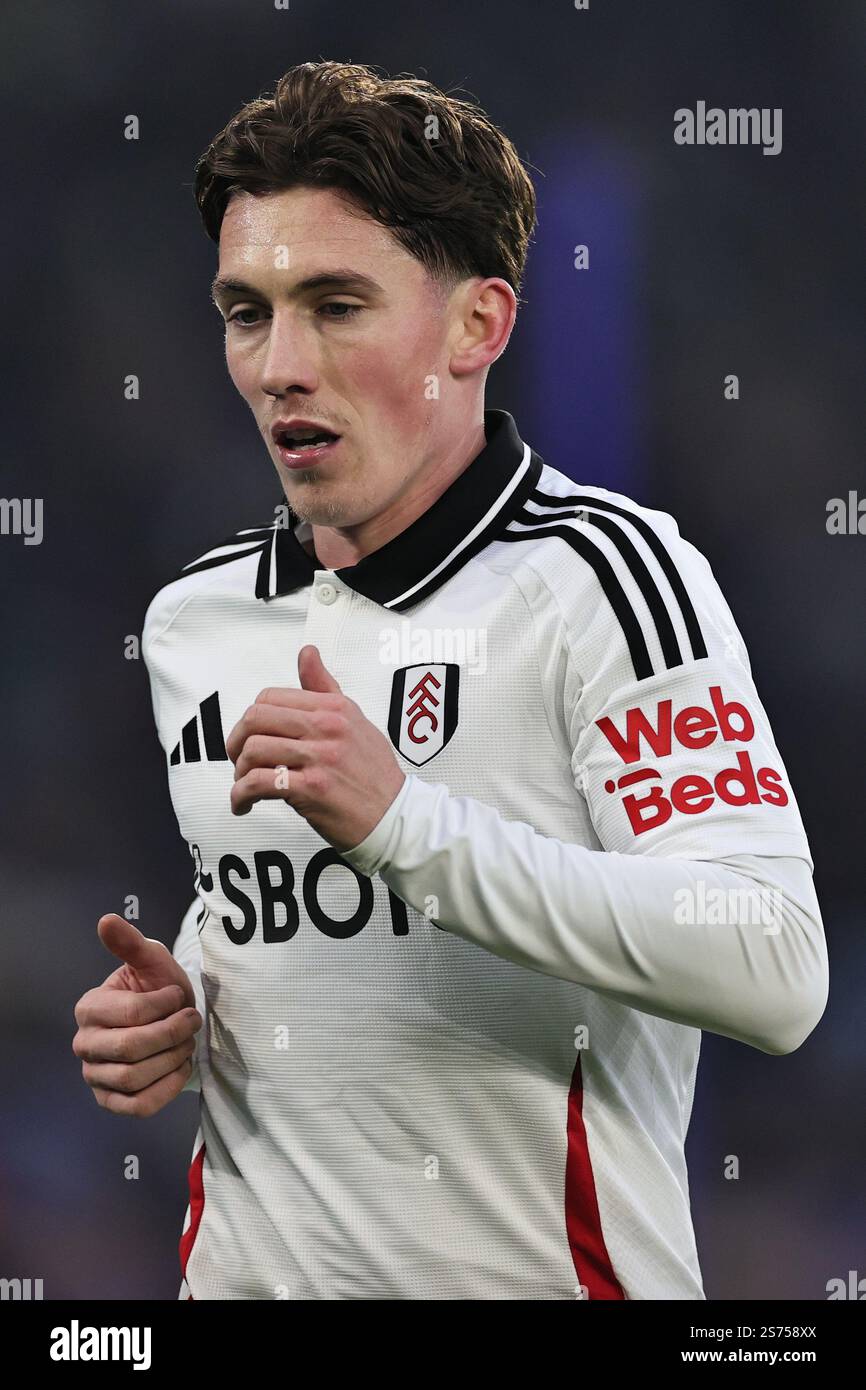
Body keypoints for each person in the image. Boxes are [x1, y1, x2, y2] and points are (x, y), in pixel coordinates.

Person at [72, 60, 828, 1300]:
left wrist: (403, 825)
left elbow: (771, 962)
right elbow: (313, 946)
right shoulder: (191, 620)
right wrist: (190, 1021)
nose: (277, 365)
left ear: (477, 325)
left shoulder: (605, 578)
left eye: (335, 304)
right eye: (246, 310)